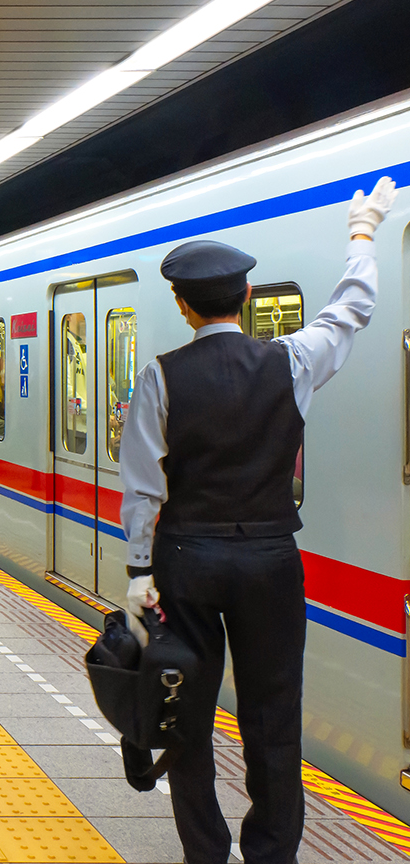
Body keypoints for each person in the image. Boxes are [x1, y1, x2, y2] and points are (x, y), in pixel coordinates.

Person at [120, 176, 396, 864]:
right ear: (246, 297)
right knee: (274, 717)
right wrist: (362, 235)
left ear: (182, 307)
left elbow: (143, 486)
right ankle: (272, 852)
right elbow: (351, 310)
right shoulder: (292, 360)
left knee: (183, 707)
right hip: (272, 561)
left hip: (185, 561)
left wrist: (137, 572)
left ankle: (206, 852)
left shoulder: (159, 376)